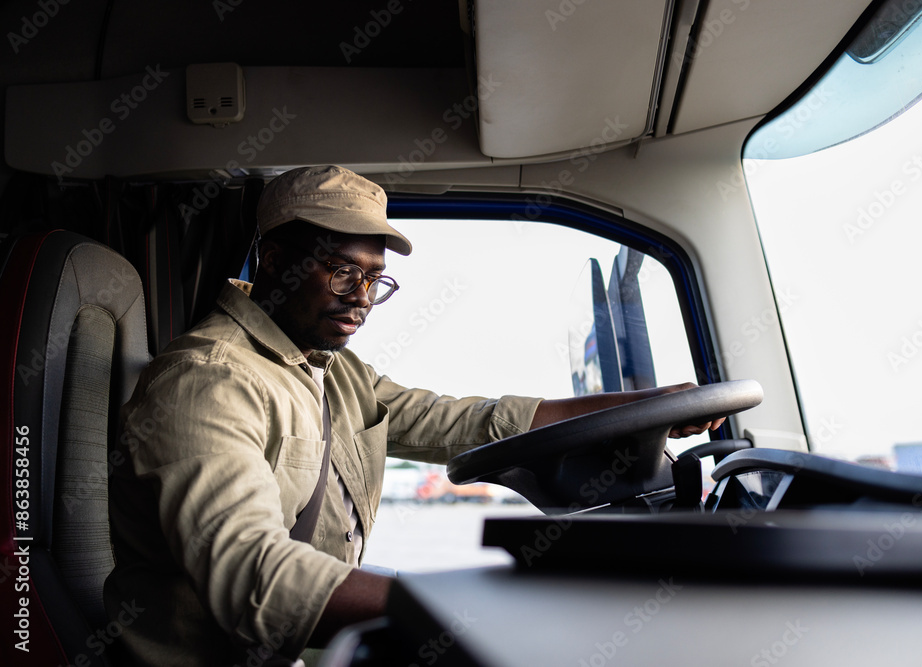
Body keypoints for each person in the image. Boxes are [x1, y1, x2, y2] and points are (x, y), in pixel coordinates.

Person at [105, 165, 721, 666]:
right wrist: (477, 606)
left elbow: (465, 422)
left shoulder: (331, 368)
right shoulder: (207, 383)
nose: (362, 300)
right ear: (272, 261)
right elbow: (255, 575)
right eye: (342, 271)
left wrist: (644, 406)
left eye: (376, 279)